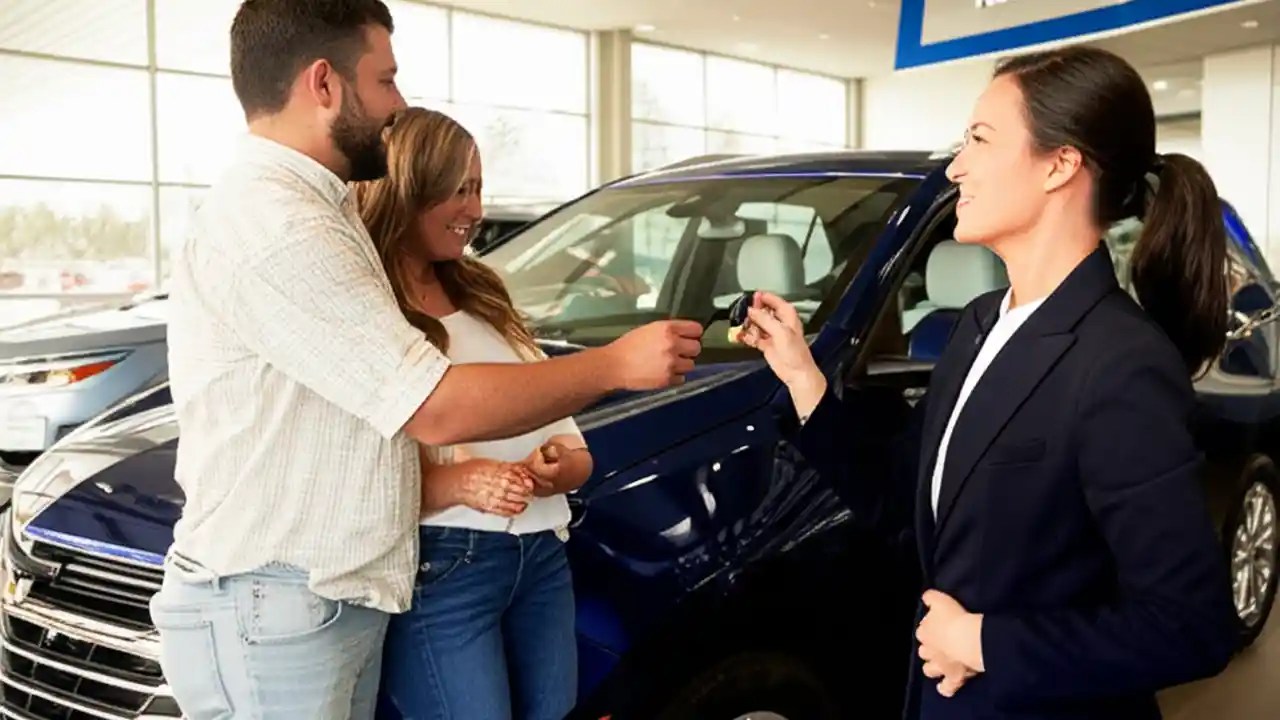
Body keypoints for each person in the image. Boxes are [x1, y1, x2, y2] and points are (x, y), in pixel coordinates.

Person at [150, 3, 701, 719]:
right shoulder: (279, 225)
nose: (398, 104)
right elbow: (434, 403)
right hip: (279, 600)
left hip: (318, 596)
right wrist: (614, 366)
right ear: (324, 84)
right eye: (385, 79)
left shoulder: (323, 212)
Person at [739, 45, 1238, 720]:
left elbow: (1189, 627)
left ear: (1061, 164)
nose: (956, 166)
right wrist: (802, 375)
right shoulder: (978, 325)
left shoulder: (1120, 363)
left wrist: (984, 640)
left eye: (979, 138)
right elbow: (903, 508)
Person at [351, 106, 589, 720]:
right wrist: (458, 482)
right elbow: (343, 473)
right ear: (407, 190)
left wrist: (559, 466)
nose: (476, 211)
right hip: (443, 562)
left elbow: (564, 429)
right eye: (459, 190)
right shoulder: (364, 309)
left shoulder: (482, 292)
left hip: (541, 551)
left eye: (478, 188)